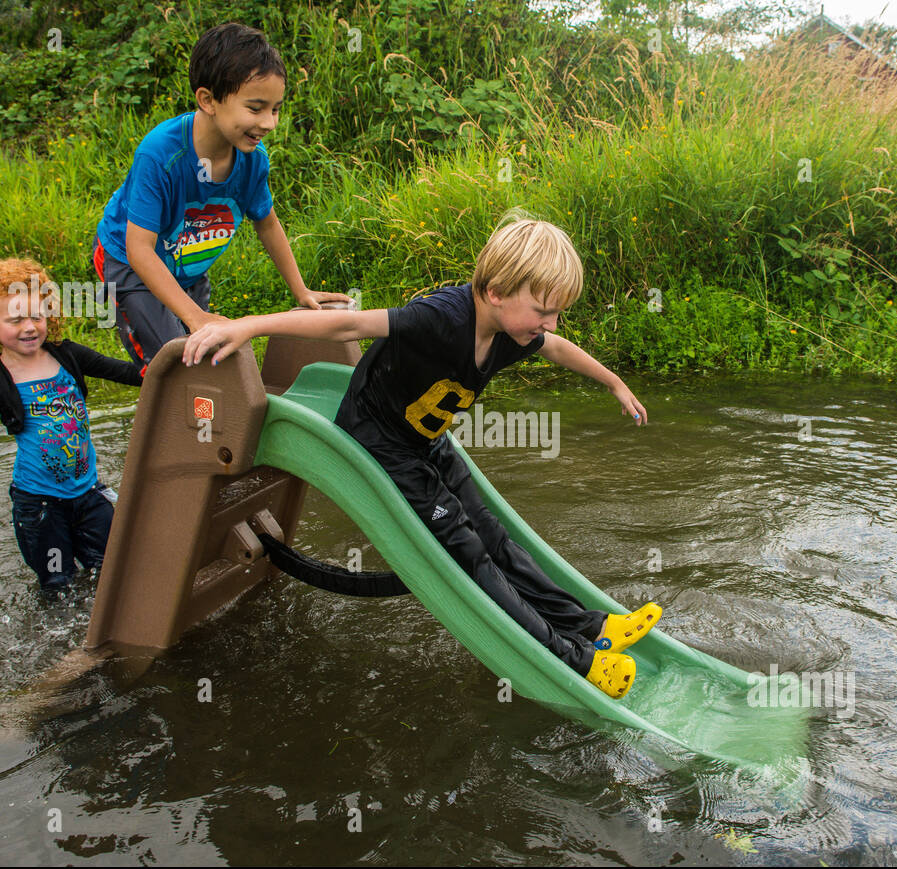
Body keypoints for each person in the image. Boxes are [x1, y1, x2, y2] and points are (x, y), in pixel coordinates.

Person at [181, 216, 661, 698]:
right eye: (542, 310)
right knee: (466, 548)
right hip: (379, 443)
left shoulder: (512, 332)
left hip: (427, 440)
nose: (549, 323)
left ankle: (591, 625)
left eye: (555, 312)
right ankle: (575, 659)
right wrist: (249, 327)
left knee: (493, 532)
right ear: (496, 291)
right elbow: (350, 323)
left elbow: (555, 347)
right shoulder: (439, 318)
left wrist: (613, 382)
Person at [91, 21, 350, 371]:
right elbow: (139, 248)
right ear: (208, 100)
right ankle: (161, 418)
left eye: (275, 109)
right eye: (256, 108)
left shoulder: (252, 160)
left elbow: (268, 224)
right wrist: (195, 316)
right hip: (131, 264)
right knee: (173, 361)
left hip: (188, 263)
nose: (270, 123)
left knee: (210, 355)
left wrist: (301, 290)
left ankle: (211, 420)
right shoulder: (161, 155)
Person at [0, 259, 142, 590]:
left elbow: (123, 372)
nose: (29, 327)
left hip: (88, 494)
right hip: (38, 506)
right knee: (57, 580)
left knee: (113, 569)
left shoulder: (66, 355)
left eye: (36, 316)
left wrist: (160, 367)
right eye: (16, 320)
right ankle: (60, 638)